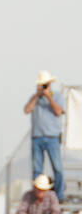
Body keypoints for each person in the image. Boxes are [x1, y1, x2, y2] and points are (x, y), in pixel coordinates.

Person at [24, 71, 65, 202]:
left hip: (52, 137)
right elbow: (26, 110)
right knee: (37, 169)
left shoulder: (57, 96)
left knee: (57, 168)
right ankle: (36, 196)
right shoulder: (34, 98)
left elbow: (59, 111)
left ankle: (59, 196)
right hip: (37, 137)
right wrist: (37, 95)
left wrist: (49, 98)